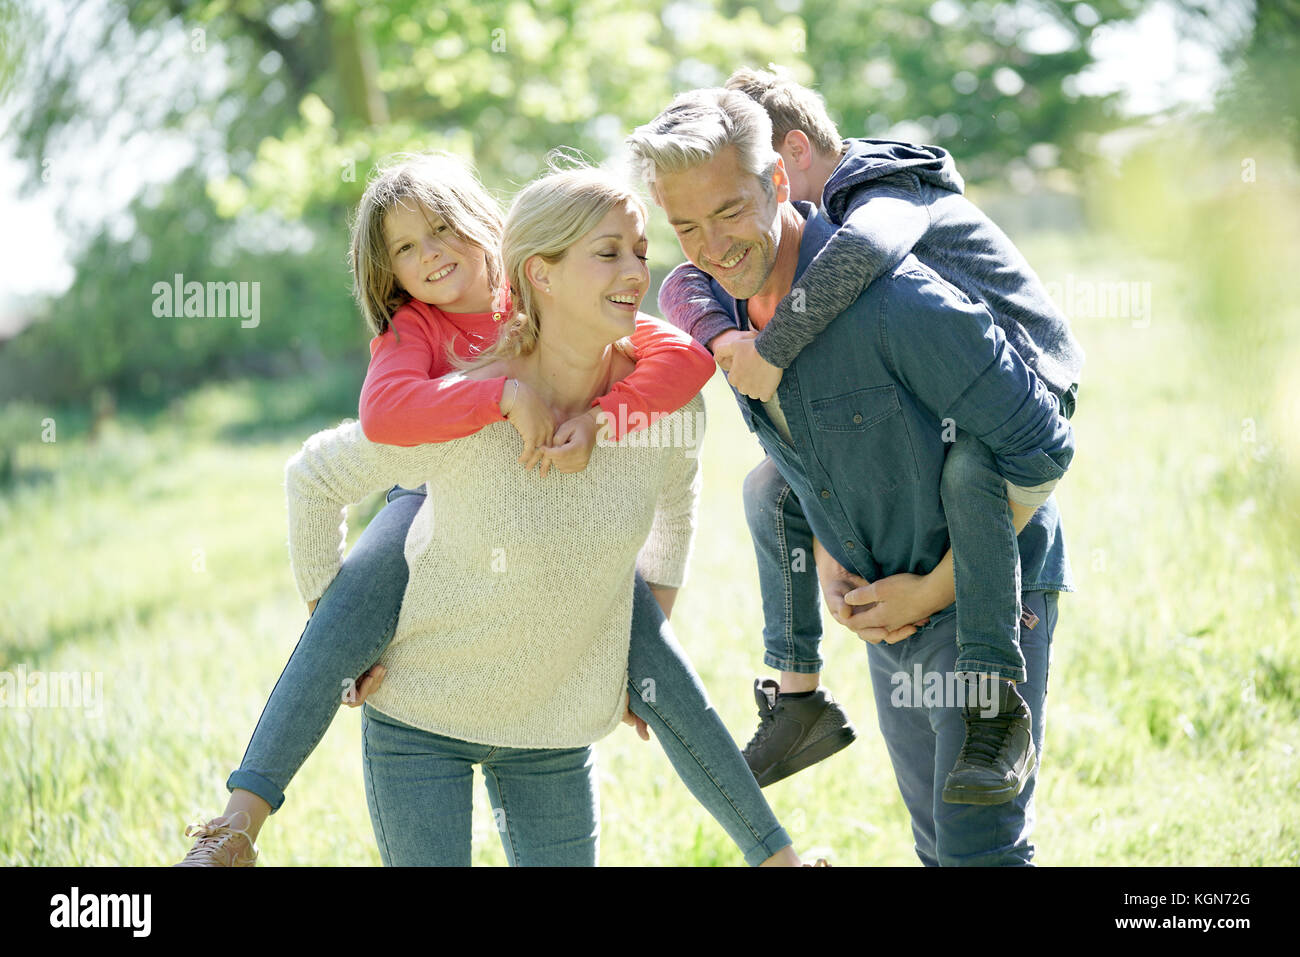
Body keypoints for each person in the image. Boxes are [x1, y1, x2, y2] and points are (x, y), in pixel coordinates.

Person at [175, 154, 801, 866]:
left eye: (441, 230)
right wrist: (497, 399)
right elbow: (379, 417)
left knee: (651, 643)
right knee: (347, 608)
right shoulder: (416, 327)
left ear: (488, 227)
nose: (430, 255)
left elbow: (683, 361)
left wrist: (604, 417)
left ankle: (774, 853)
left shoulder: (543, 293)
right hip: (421, 490)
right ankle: (239, 819)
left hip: (550, 683)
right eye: (405, 249)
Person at [627, 87, 1075, 864]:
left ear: (777, 181)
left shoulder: (895, 300)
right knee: (941, 847)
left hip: (983, 602)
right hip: (883, 616)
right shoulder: (727, 321)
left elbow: (1041, 443)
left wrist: (931, 590)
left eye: (729, 211)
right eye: (686, 226)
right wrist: (828, 549)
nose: (712, 245)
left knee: (980, 851)